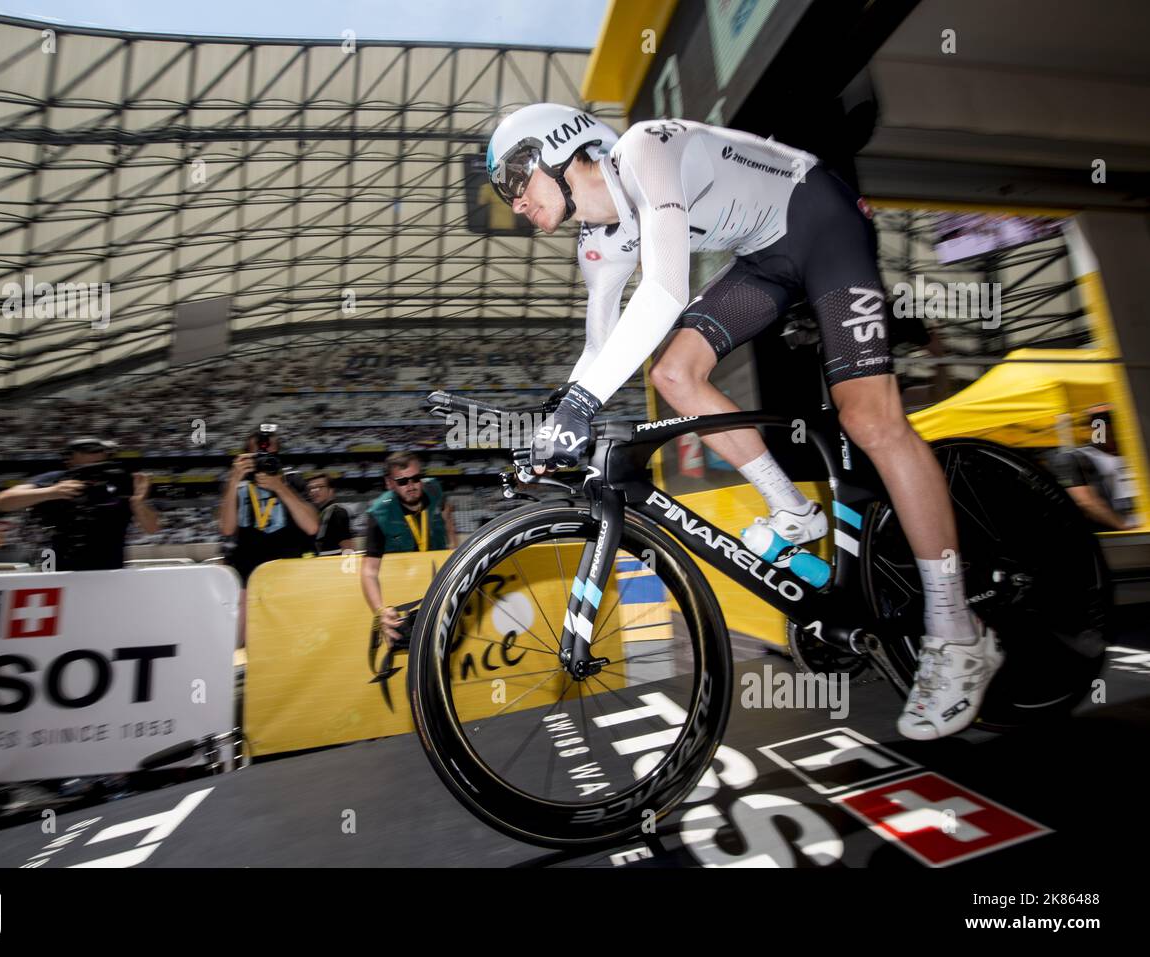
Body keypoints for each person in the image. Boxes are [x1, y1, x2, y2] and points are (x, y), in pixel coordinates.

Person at [487, 104, 1001, 740]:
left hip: (819, 221)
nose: (513, 202)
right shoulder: (600, 242)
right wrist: (555, 420)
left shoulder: (645, 150)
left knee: (869, 419)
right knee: (674, 374)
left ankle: (958, 633)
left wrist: (581, 406)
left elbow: (667, 290)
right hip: (764, 260)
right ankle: (790, 509)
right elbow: (599, 351)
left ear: (561, 148)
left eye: (515, 179)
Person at [0, 437, 160, 570]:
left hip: (109, 571)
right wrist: (50, 492)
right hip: (54, 569)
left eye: (99, 466)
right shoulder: (54, 480)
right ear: (69, 462)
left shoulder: (120, 483)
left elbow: (152, 528)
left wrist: (138, 502)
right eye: (86, 469)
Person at [220, 425, 320, 646]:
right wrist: (233, 480)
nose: (265, 459)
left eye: (271, 454)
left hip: (288, 574)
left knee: (288, 639)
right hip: (248, 575)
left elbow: (312, 526)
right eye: (259, 455)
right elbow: (226, 529)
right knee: (241, 642)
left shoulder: (292, 480)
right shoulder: (238, 484)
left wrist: (280, 488)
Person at [361, 452, 458, 647]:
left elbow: (447, 511)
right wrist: (380, 611)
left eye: (416, 478)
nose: (411, 486)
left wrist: (453, 545)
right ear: (389, 483)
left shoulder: (433, 487)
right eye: (402, 481)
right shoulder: (379, 514)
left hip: (439, 582)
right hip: (406, 593)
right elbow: (369, 571)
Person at [1051, 405, 1142, 531]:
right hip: (1117, 534)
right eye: (1100, 422)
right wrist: (1121, 526)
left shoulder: (1135, 452)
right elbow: (1085, 502)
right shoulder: (1074, 457)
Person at [306, 473, 354, 555]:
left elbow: (347, 546)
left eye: (320, 487)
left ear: (331, 490)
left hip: (332, 564)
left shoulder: (337, 512)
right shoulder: (316, 512)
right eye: (311, 488)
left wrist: (349, 566)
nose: (314, 491)